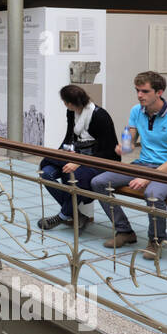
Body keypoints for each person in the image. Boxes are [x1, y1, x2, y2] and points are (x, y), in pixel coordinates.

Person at [90, 71, 167, 261]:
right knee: (98, 182)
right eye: (137, 90)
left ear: (159, 92)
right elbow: (130, 137)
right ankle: (124, 231)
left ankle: (157, 240)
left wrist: (148, 177)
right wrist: (124, 147)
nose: (139, 95)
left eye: (144, 91)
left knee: (152, 194)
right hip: (142, 164)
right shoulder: (136, 110)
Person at [38, 85, 119, 230]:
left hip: (97, 159)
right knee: (45, 172)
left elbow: (109, 150)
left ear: (69, 103)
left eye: (64, 101)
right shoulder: (71, 113)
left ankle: (62, 216)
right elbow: (69, 137)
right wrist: (60, 153)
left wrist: (78, 162)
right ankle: (76, 215)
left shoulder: (100, 116)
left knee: (75, 176)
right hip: (76, 154)